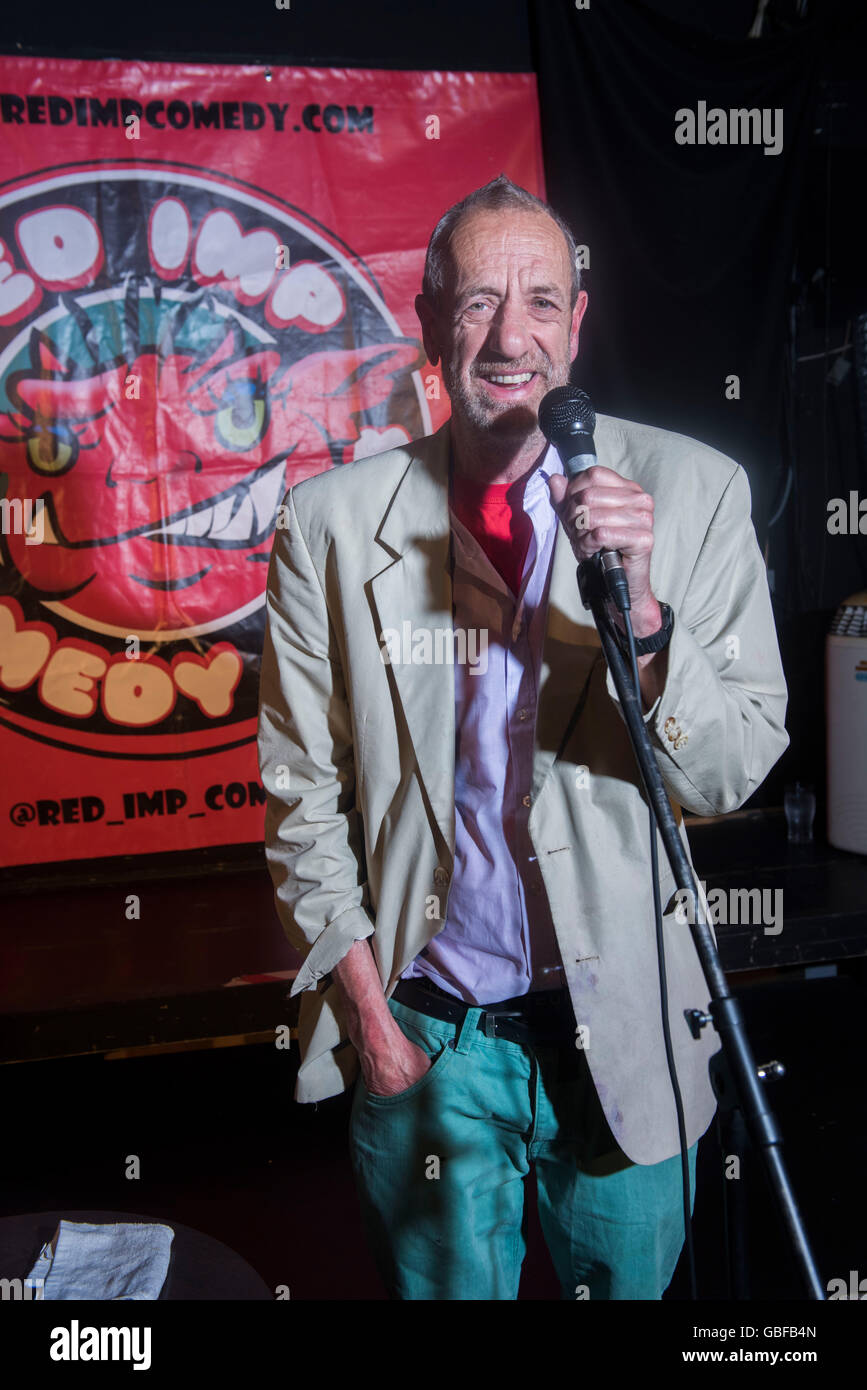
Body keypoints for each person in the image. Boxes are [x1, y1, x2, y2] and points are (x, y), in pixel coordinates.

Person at [257, 175, 789, 1300]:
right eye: (479, 301)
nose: (512, 336)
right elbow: (300, 793)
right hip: (433, 1042)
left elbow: (734, 767)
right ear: (429, 319)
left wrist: (645, 622)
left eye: (543, 301)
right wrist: (371, 1022)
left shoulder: (692, 496)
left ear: (577, 323)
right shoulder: (330, 526)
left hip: (628, 1043)